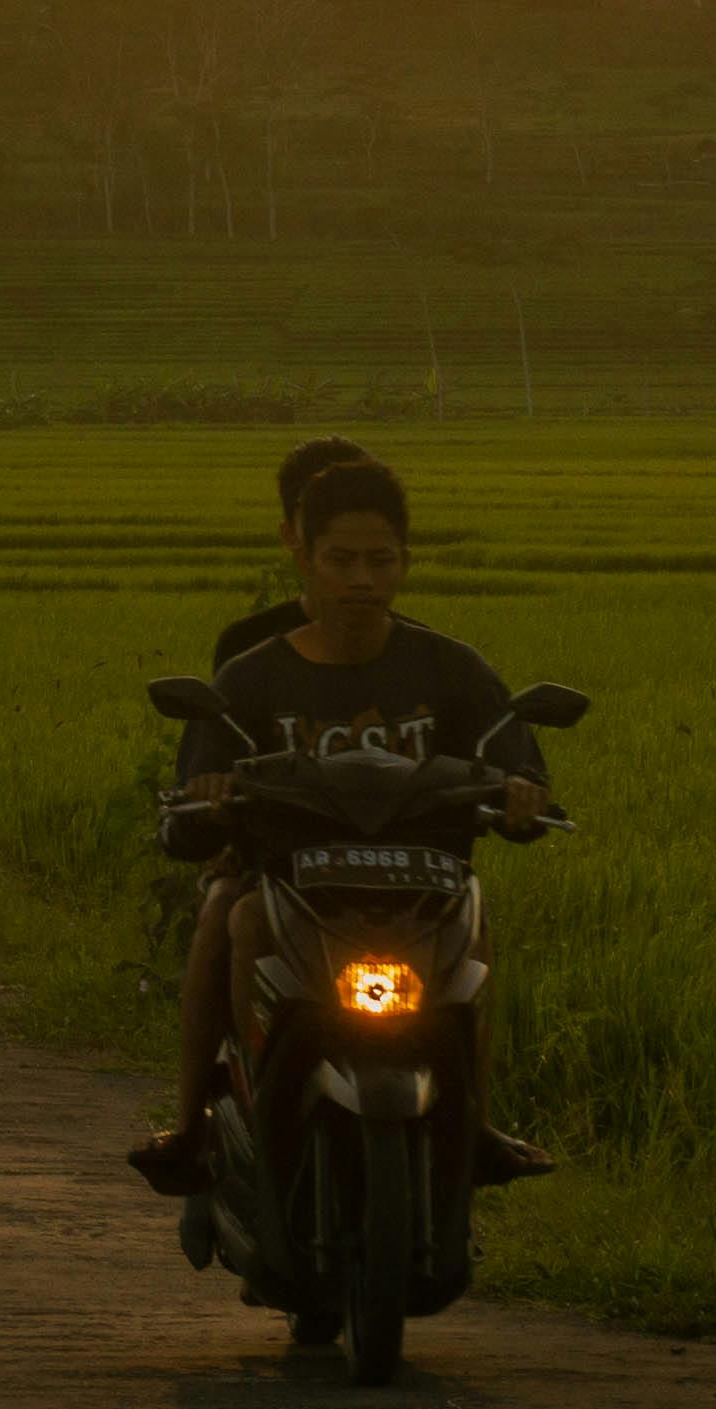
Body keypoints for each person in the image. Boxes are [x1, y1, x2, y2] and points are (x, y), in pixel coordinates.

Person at [128, 439, 558, 1193]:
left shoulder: (452, 669)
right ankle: (199, 1121)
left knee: (477, 921)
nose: (363, 580)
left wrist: (522, 797)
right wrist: (211, 799)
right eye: (343, 561)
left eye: (381, 560)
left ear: (405, 561)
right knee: (229, 913)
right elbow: (194, 790)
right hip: (291, 884)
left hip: (422, 886)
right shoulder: (252, 676)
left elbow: (516, 765)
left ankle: (475, 1119)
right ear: (306, 559)